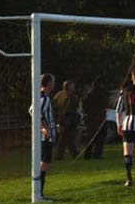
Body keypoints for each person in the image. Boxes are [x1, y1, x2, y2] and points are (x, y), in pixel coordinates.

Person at [29, 73, 57, 201]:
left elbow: (31, 110)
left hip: (43, 136)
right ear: (49, 83)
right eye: (53, 81)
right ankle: (38, 194)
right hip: (45, 137)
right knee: (44, 164)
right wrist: (45, 128)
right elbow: (35, 112)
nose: (54, 84)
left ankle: (39, 193)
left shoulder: (40, 96)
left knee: (44, 163)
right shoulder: (44, 98)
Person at [53, 80, 83, 161]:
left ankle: (74, 153)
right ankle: (59, 156)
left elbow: (55, 106)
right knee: (64, 138)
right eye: (72, 85)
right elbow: (72, 107)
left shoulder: (58, 95)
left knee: (68, 137)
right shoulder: (71, 96)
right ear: (69, 86)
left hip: (61, 119)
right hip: (70, 119)